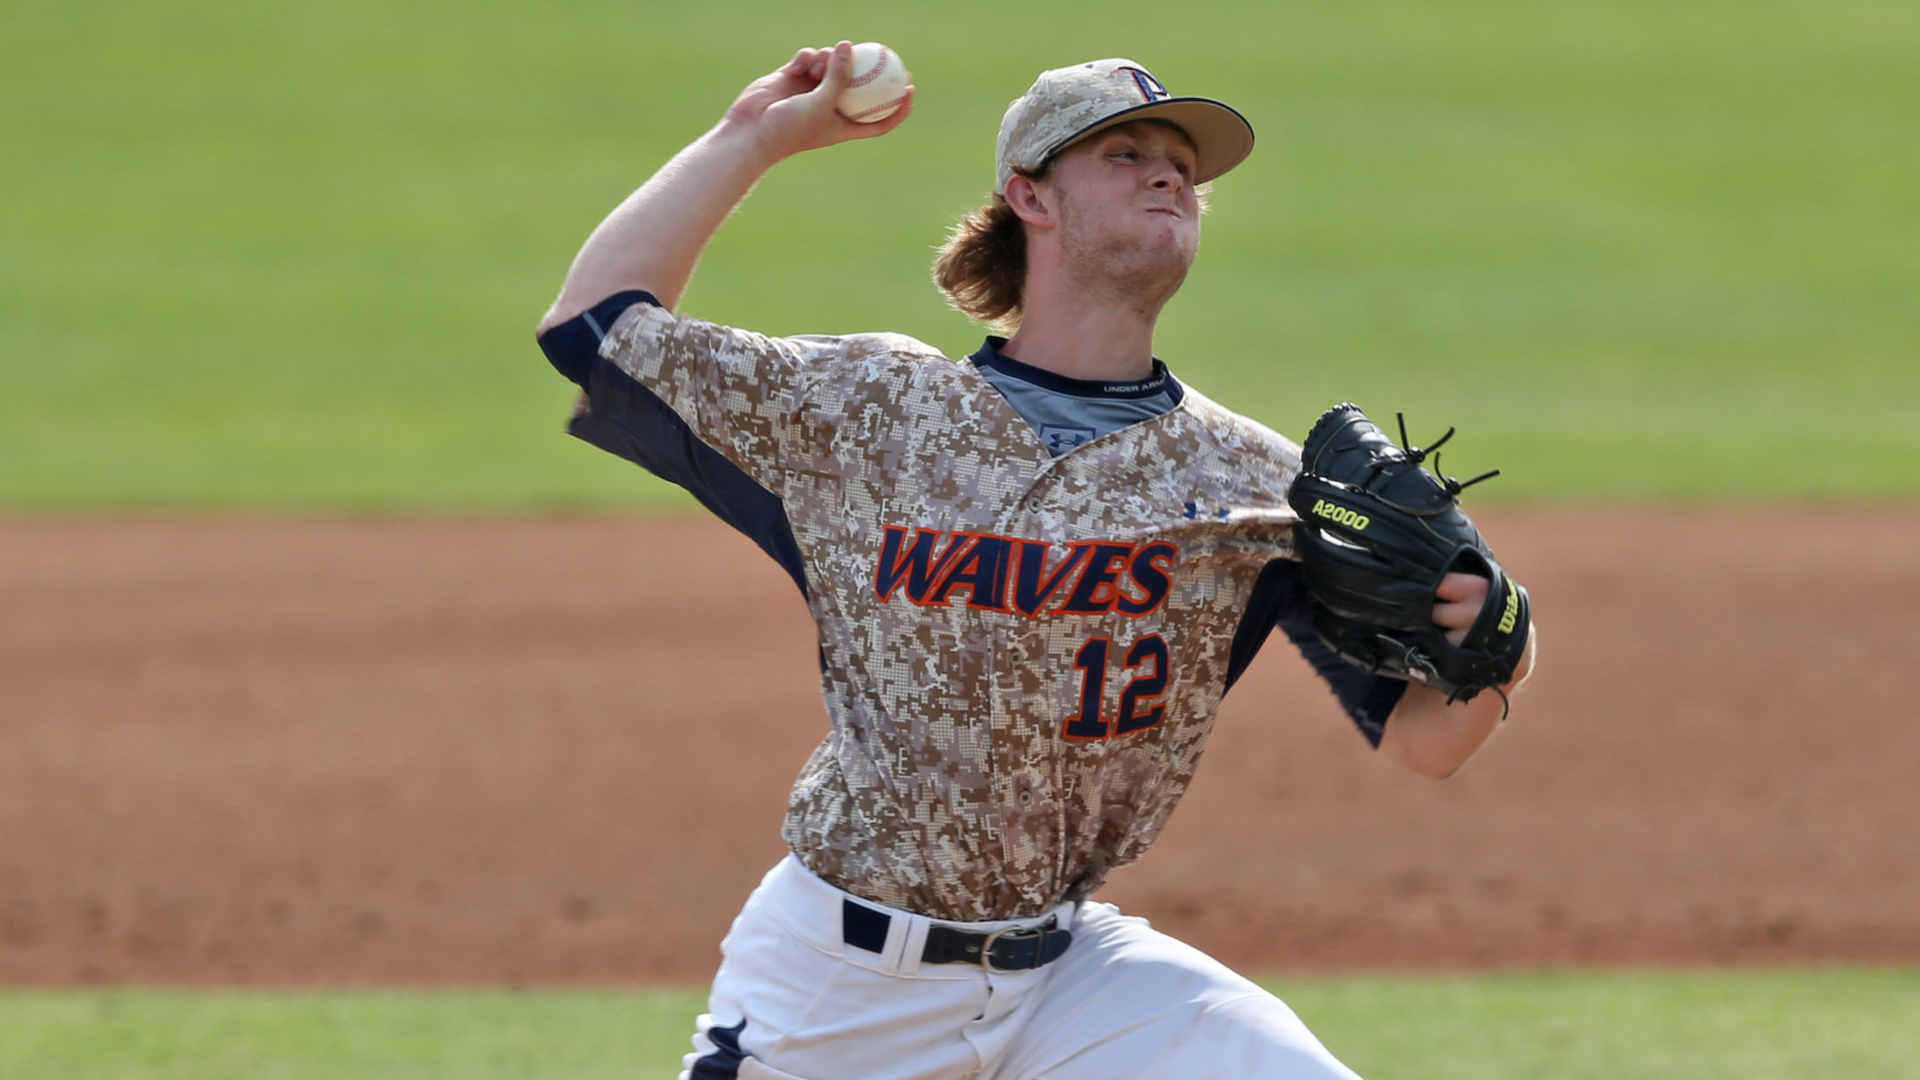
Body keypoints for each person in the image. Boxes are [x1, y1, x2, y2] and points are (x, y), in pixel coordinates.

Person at [536, 44, 1536, 1080]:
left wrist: (1500, 641)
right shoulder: (868, 412)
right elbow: (593, 327)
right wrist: (753, 137)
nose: (1169, 174)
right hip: (844, 984)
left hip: (1071, 978)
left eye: (1183, 165)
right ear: (1030, 197)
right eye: (1125, 153)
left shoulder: (1254, 482)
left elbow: (1423, 738)